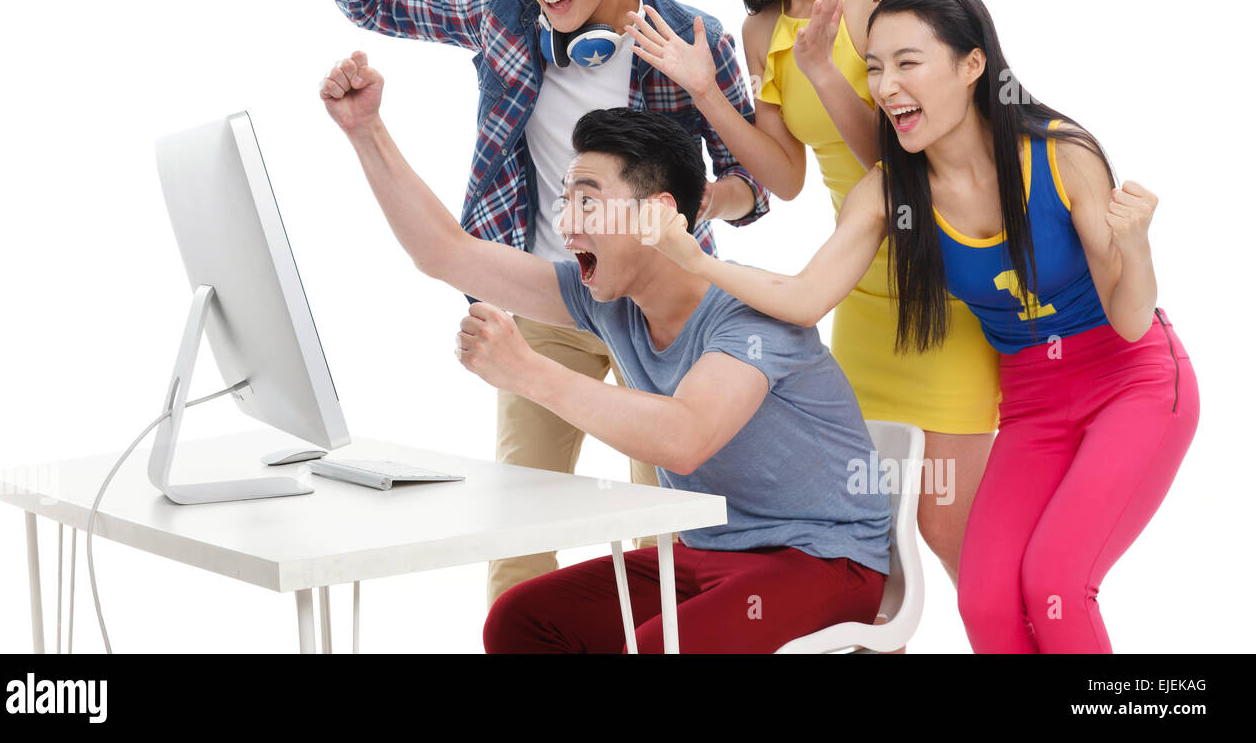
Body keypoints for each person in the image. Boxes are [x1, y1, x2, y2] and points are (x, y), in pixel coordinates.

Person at [645, 0, 1198, 653]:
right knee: (990, 602)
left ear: (972, 66)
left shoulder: (1060, 155)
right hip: (1033, 400)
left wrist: (1135, 249)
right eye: (875, 67)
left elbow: (1132, 320)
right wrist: (699, 264)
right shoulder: (891, 189)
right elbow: (806, 297)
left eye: (908, 63)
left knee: (1055, 584)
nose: (886, 86)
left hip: (1133, 382)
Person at [317, 50, 890, 654]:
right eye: (567, 201)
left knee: (660, 647)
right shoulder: (606, 298)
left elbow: (685, 439)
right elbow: (445, 253)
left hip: (823, 558)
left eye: (587, 201)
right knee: (522, 620)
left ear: (657, 216)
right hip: (706, 552)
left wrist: (530, 371)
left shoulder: (748, 316)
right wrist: (366, 130)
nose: (567, 225)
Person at [327, 0, 769, 605]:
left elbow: (757, 177)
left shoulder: (692, 38)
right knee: (519, 522)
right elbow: (376, 0)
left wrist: (704, 206)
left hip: (664, 313)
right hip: (547, 295)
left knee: (661, 530)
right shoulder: (504, 10)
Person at [623, 0, 998, 590]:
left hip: (939, 289)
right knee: (870, 530)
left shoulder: (883, 0)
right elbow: (784, 175)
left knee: (947, 528)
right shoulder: (763, 30)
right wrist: (705, 92)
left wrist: (827, 71)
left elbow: (905, 167)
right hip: (853, 293)